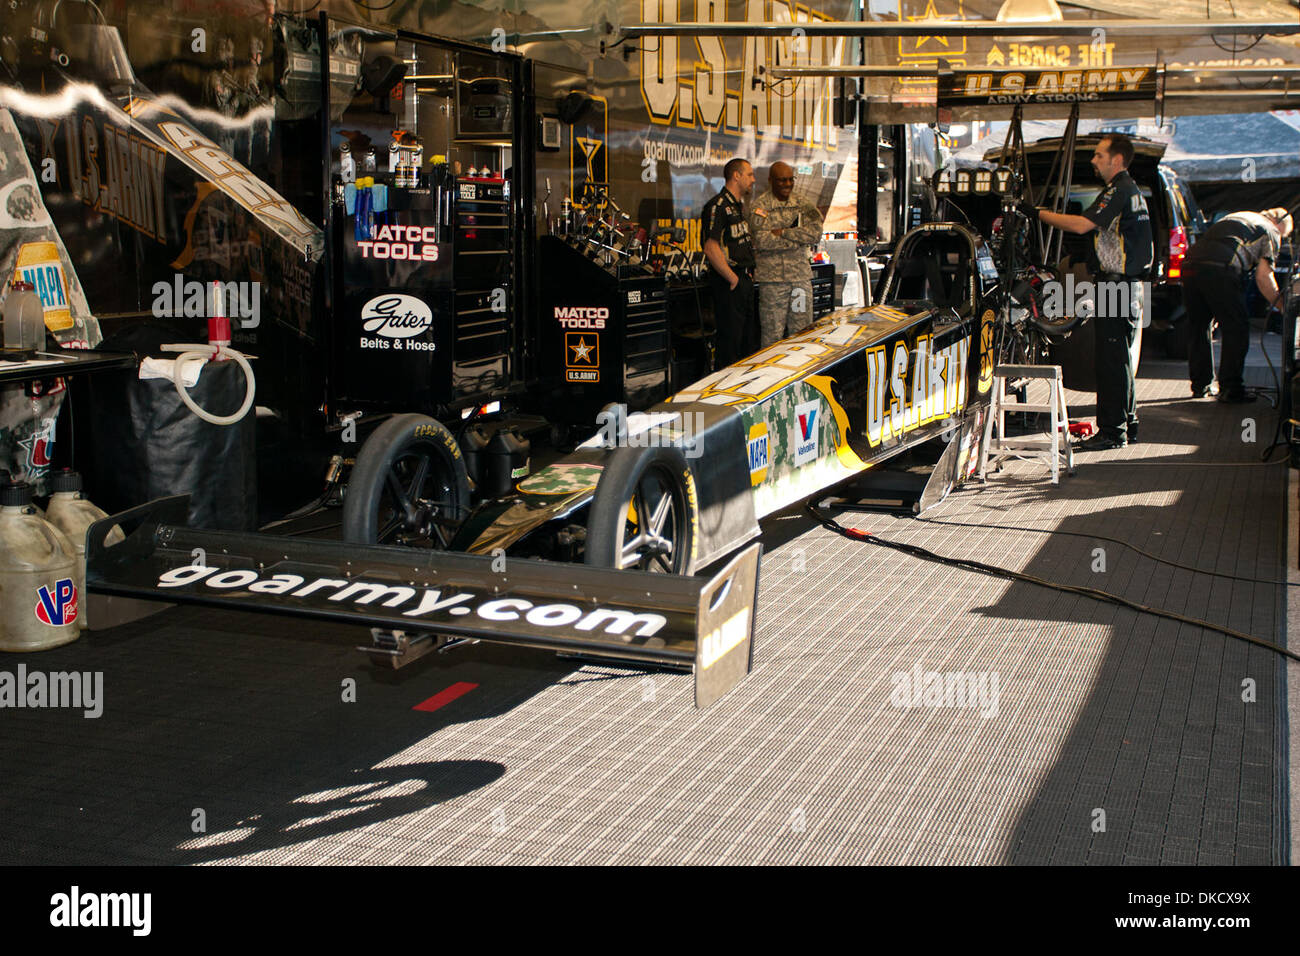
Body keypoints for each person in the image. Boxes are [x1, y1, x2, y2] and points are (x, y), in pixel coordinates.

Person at [1027, 133, 1153, 450]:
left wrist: (1036, 213)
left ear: (1117, 159)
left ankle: (1112, 432)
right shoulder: (1130, 190)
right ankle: (1128, 424)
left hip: (1118, 285)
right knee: (1120, 358)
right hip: (1127, 285)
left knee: (1111, 360)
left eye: (1099, 155)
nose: (1094, 160)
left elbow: (1083, 225)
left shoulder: (1119, 190)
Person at [1180, 207, 1293, 404]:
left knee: (1199, 326)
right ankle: (1231, 388)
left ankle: (1200, 385)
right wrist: (1283, 306)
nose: (1281, 239)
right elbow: (1263, 277)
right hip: (1222, 268)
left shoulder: (1238, 217)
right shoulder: (1270, 230)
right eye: (1284, 235)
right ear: (1279, 225)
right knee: (1236, 328)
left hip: (1191, 264)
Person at [750, 162, 825, 347]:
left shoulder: (802, 204)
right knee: (772, 336)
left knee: (802, 333)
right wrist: (798, 239)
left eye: (791, 179)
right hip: (772, 282)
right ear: (771, 181)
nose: (787, 184)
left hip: (800, 279)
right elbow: (762, 241)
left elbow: (815, 233)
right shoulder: (759, 207)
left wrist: (784, 232)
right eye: (782, 180)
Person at [701, 158, 757, 367]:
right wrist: (732, 278)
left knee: (746, 344)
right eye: (749, 174)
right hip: (729, 284)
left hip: (744, 280)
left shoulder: (738, 206)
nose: (753, 179)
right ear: (736, 175)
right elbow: (710, 247)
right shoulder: (718, 206)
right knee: (729, 346)